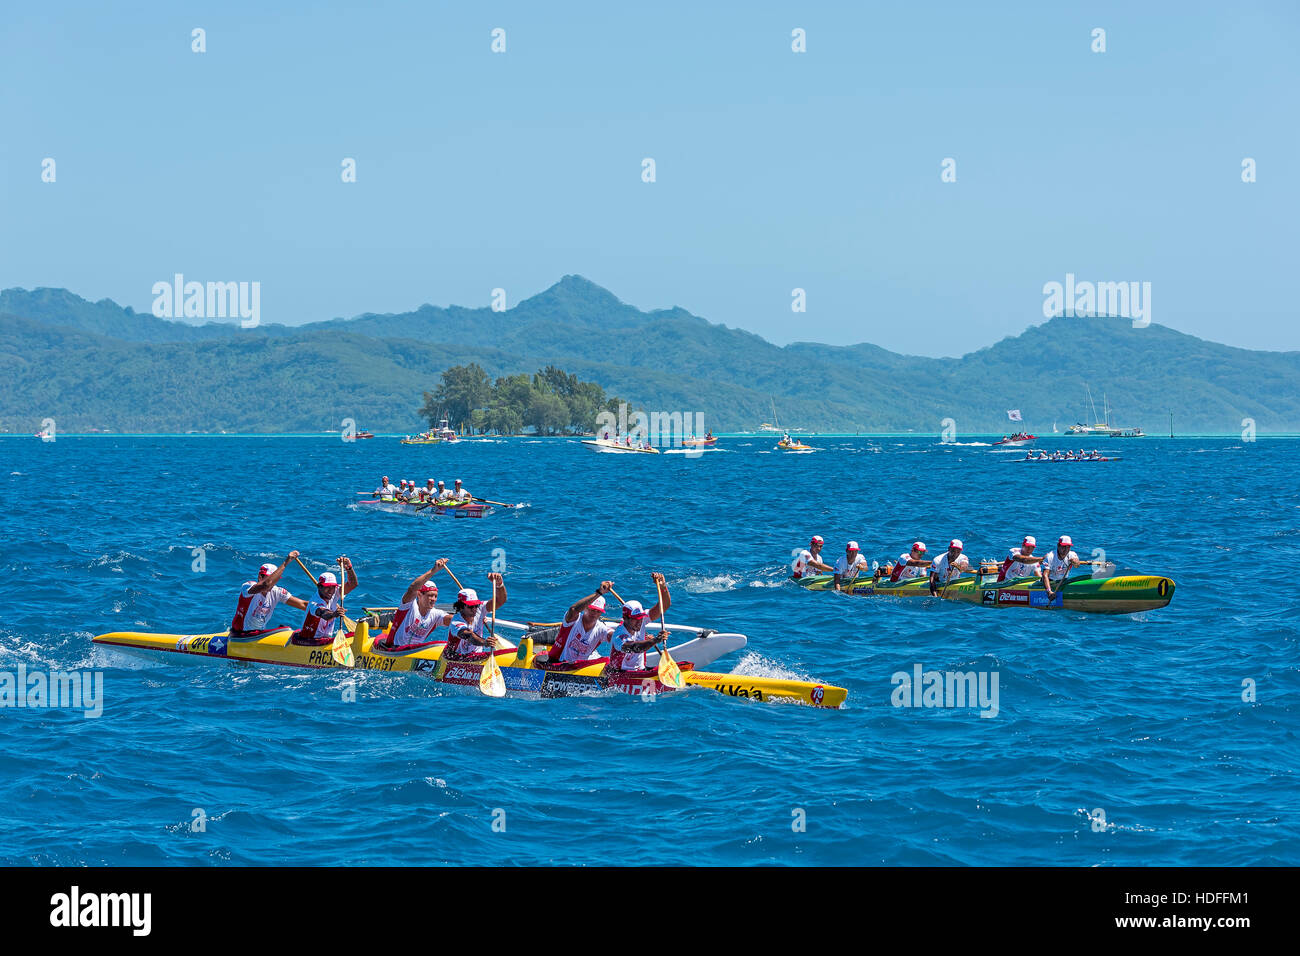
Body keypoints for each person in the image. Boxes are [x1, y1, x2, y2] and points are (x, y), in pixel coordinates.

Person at [230, 551, 307, 636]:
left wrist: (321, 608)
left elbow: (303, 605)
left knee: (286, 629)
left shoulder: (277, 591)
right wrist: (286, 563)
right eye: (272, 579)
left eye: (276, 579)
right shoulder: (248, 586)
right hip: (240, 635)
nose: (273, 583)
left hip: (258, 635)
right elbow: (266, 585)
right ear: (260, 577)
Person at [608, 574, 672, 674]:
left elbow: (665, 606)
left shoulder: (642, 620)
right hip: (619, 674)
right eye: (635, 619)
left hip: (640, 671)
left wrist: (663, 586)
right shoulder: (619, 635)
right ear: (625, 618)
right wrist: (656, 640)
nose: (639, 622)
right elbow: (634, 647)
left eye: (641, 618)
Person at [382, 558, 452, 648]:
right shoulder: (409, 606)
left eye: (435, 596)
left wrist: (470, 614)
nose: (433, 599)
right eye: (430, 595)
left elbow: (450, 620)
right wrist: (434, 570)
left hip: (414, 652)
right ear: (419, 595)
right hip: (394, 649)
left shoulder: (435, 614)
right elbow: (412, 588)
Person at [291, 557, 357, 645]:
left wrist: (349, 568)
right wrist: (334, 614)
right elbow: (324, 614)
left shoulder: (335, 592)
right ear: (319, 586)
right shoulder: (315, 603)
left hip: (324, 640)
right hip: (308, 641)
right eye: (327, 587)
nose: (330, 590)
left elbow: (353, 584)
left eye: (333, 587)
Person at [547, 581, 617, 664]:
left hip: (579, 668)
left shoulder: (601, 628)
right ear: (585, 608)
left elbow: (615, 637)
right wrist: (599, 592)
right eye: (592, 609)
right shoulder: (573, 620)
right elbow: (573, 609)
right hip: (557, 663)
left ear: (601, 613)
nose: (594, 613)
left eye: (598, 611)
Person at [443, 573, 507, 660]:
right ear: (461, 606)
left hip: (475, 655)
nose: (474, 609)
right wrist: (485, 642)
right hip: (456, 658)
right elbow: (469, 636)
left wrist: (499, 584)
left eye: (476, 605)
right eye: (470, 606)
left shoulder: (480, 609)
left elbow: (500, 601)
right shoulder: (456, 621)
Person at [1040, 535, 1083, 601]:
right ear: (1058, 545)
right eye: (1063, 547)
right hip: (1050, 582)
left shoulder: (1072, 554)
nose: (1066, 550)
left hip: (1063, 582)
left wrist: (1075, 562)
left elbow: (1077, 566)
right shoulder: (1050, 556)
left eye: (1068, 547)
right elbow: (1045, 575)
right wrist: (1049, 592)